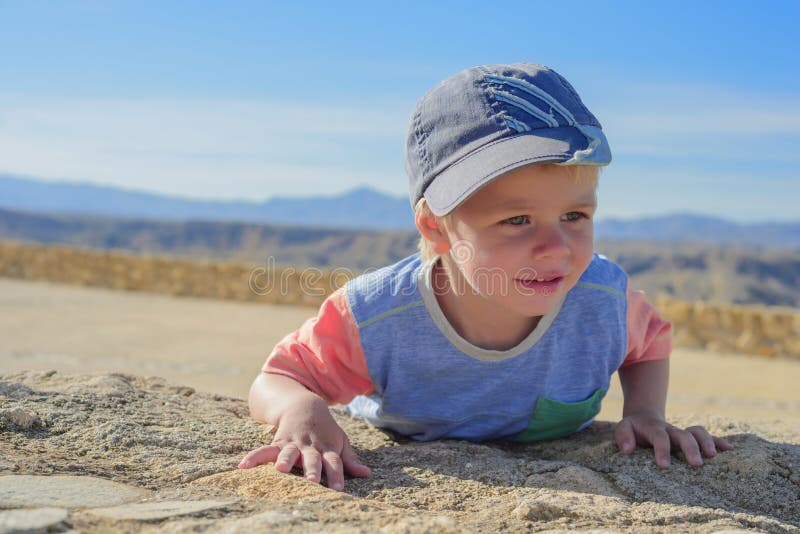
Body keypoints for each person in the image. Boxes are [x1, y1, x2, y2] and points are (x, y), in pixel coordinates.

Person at [238, 63, 733, 491]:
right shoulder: (377, 316)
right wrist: (299, 410)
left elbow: (648, 343)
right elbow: (280, 376)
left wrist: (644, 412)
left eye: (575, 216)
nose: (557, 247)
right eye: (517, 220)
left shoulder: (602, 297)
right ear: (436, 227)